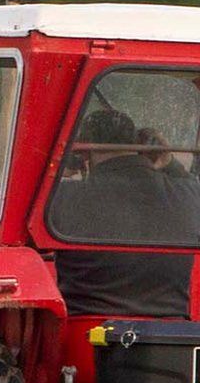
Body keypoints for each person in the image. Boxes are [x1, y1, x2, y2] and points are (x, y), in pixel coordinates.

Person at [48, 108, 200, 317]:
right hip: (169, 337)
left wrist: (54, 174)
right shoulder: (188, 194)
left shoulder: (62, 197)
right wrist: (170, 162)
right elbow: (189, 185)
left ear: (82, 150)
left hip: (83, 335)